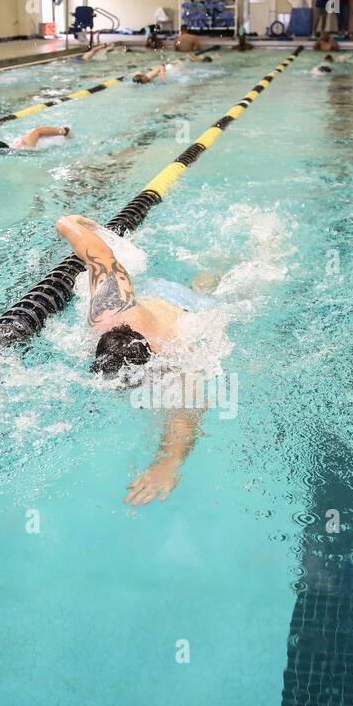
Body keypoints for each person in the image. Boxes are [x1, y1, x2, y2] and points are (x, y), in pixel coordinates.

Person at [55, 214, 206, 504]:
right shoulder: (108, 310)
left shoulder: (173, 357)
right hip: (163, 291)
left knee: (206, 290)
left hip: (194, 311)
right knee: (198, 283)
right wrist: (67, 225)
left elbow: (186, 415)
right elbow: (98, 253)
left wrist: (167, 464)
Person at [0, 125, 72, 151]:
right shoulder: (17, 149)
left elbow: (38, 130)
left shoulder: (25, 145)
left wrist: (65, 131)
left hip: (62, 136)